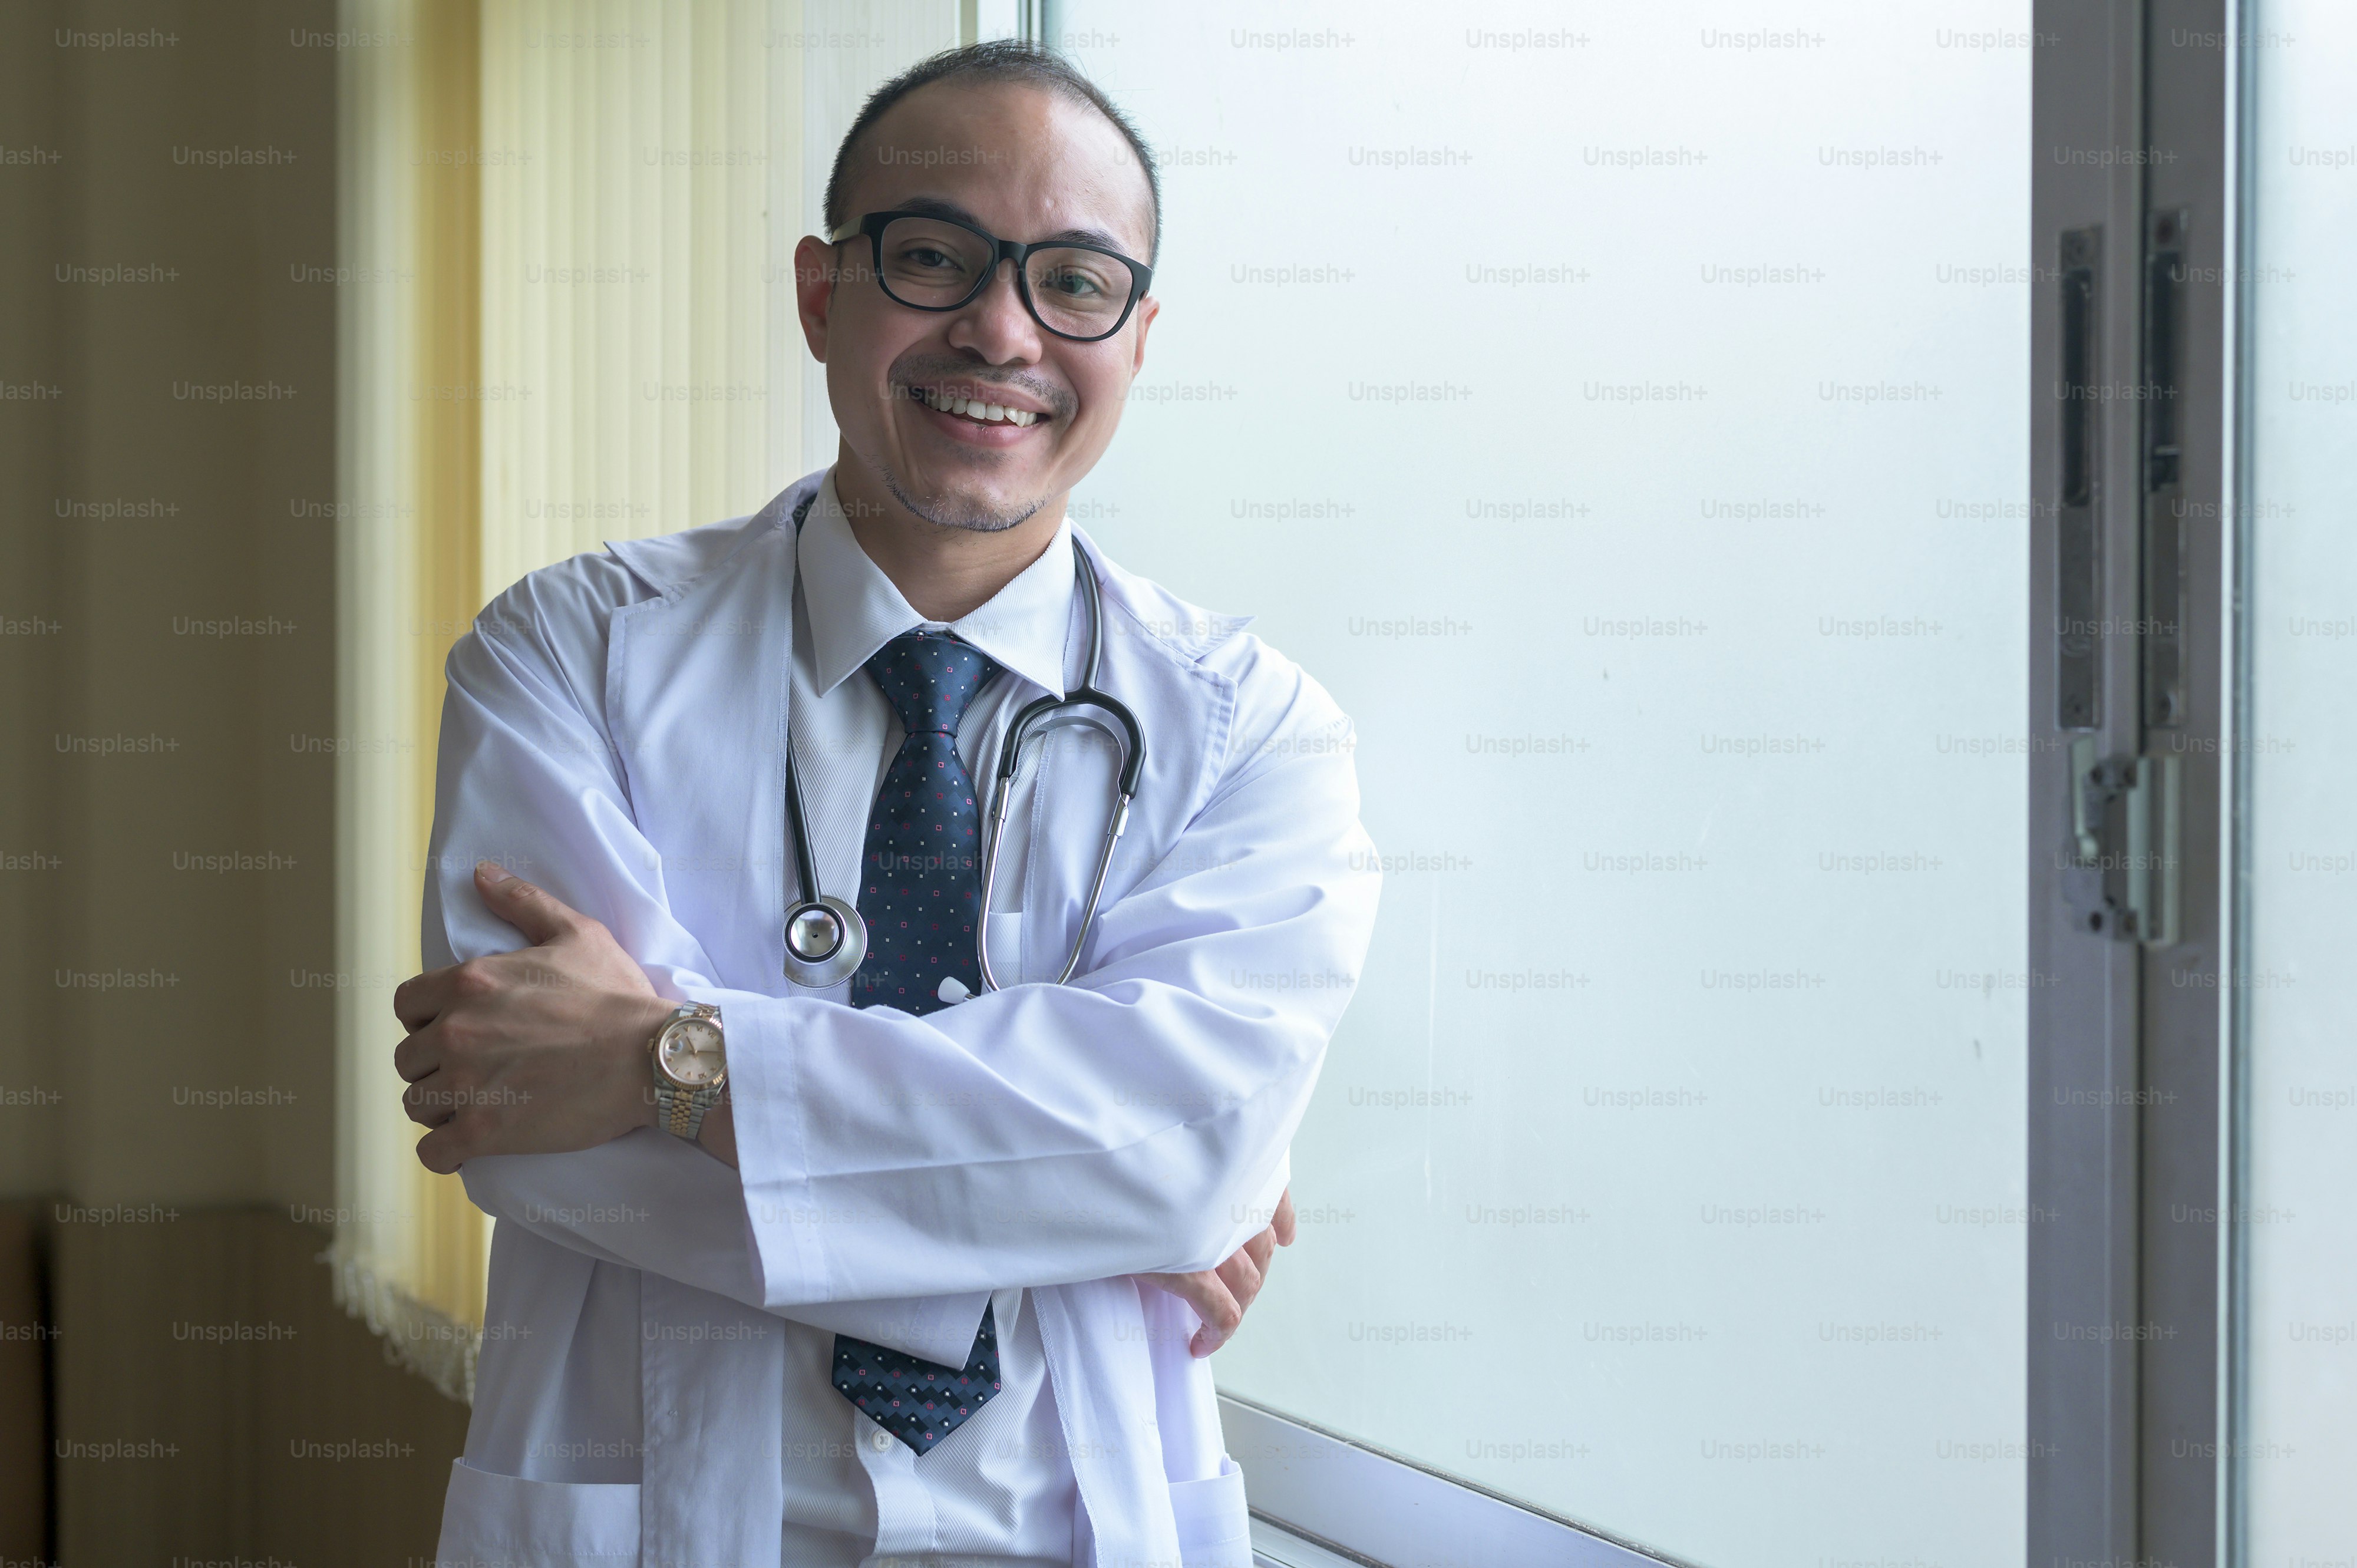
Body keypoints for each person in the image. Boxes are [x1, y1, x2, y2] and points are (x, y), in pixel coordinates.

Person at [392, 40, 1379, 1568]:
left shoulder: (1255, 729)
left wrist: (678, 1065)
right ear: (819, 296)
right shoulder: (568, 652)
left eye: (1074, 281)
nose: (1001, 329)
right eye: (934, 259)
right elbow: (525, 1134)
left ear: (1136, 335)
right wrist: (1096, 1201)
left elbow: (1185, 1158)